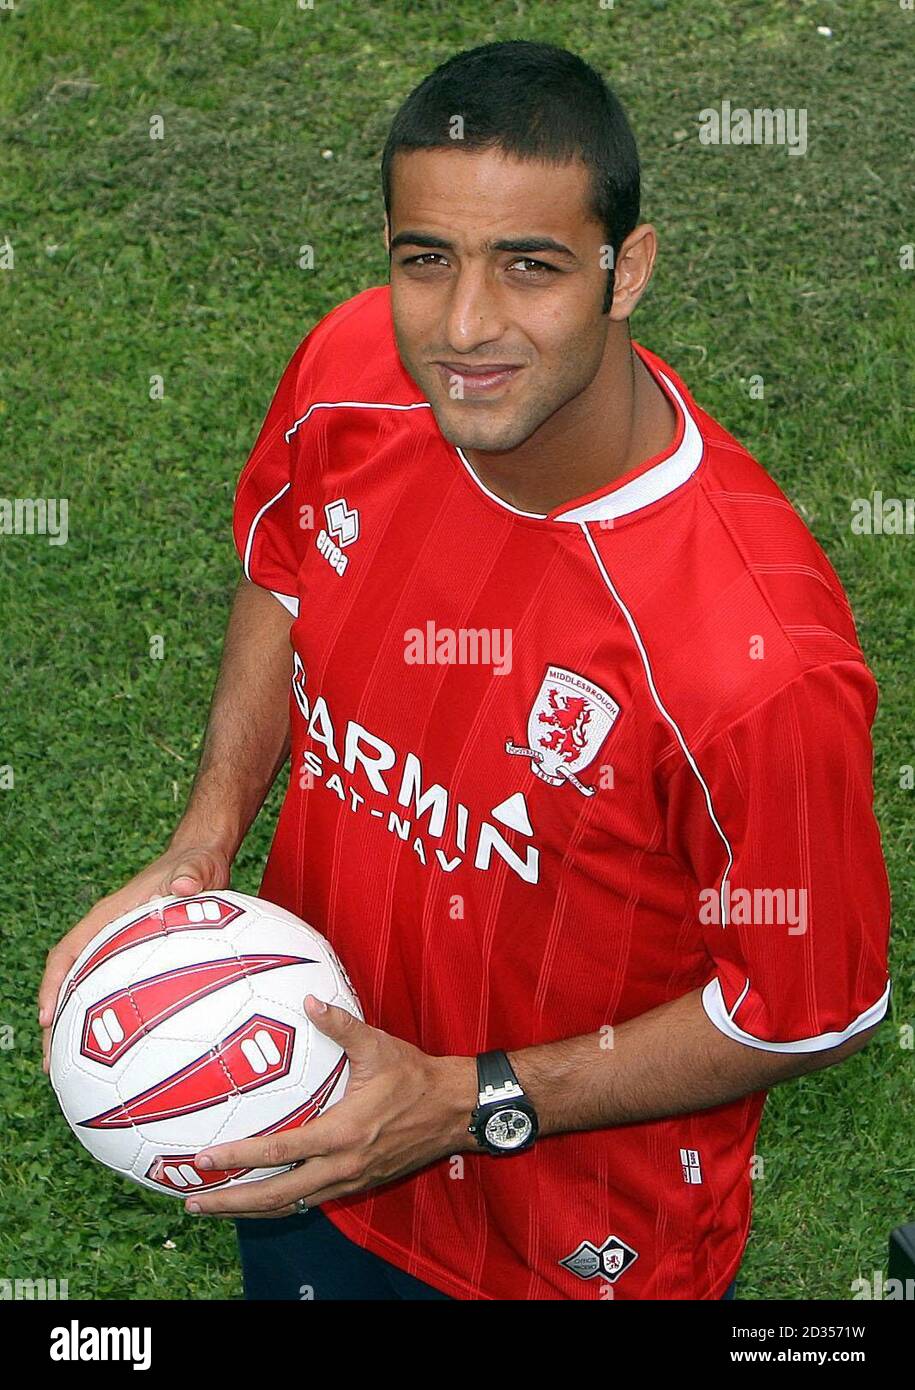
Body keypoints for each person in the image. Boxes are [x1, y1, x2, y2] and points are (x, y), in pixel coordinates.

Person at [39, 40, 891, 1301]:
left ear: (627, 271)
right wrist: (203, 838)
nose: (465, 327)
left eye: (531, 267)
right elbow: (283, 571)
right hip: (308, 1123)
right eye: (424, 260)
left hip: (575, 1246)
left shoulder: (754, 661)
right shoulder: (353, 380)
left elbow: (807, 1005)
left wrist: (460, 1101)